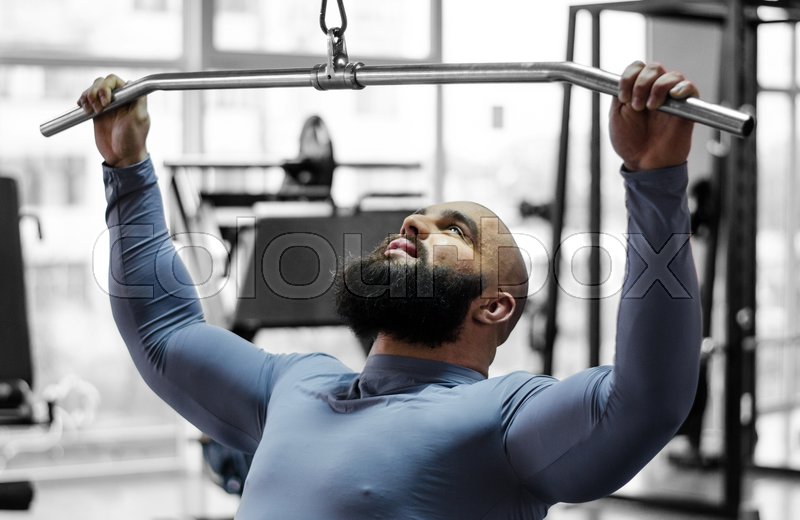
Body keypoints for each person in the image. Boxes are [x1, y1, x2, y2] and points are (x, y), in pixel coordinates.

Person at [79, 61, 702, 519]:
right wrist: (127, 170)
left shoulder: (503, 419)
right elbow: (166, 333)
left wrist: (656, 181)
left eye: (453, 230)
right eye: (418, 217)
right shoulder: (294, 385)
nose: (411, 223)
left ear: (494, 305)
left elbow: (645, 401)